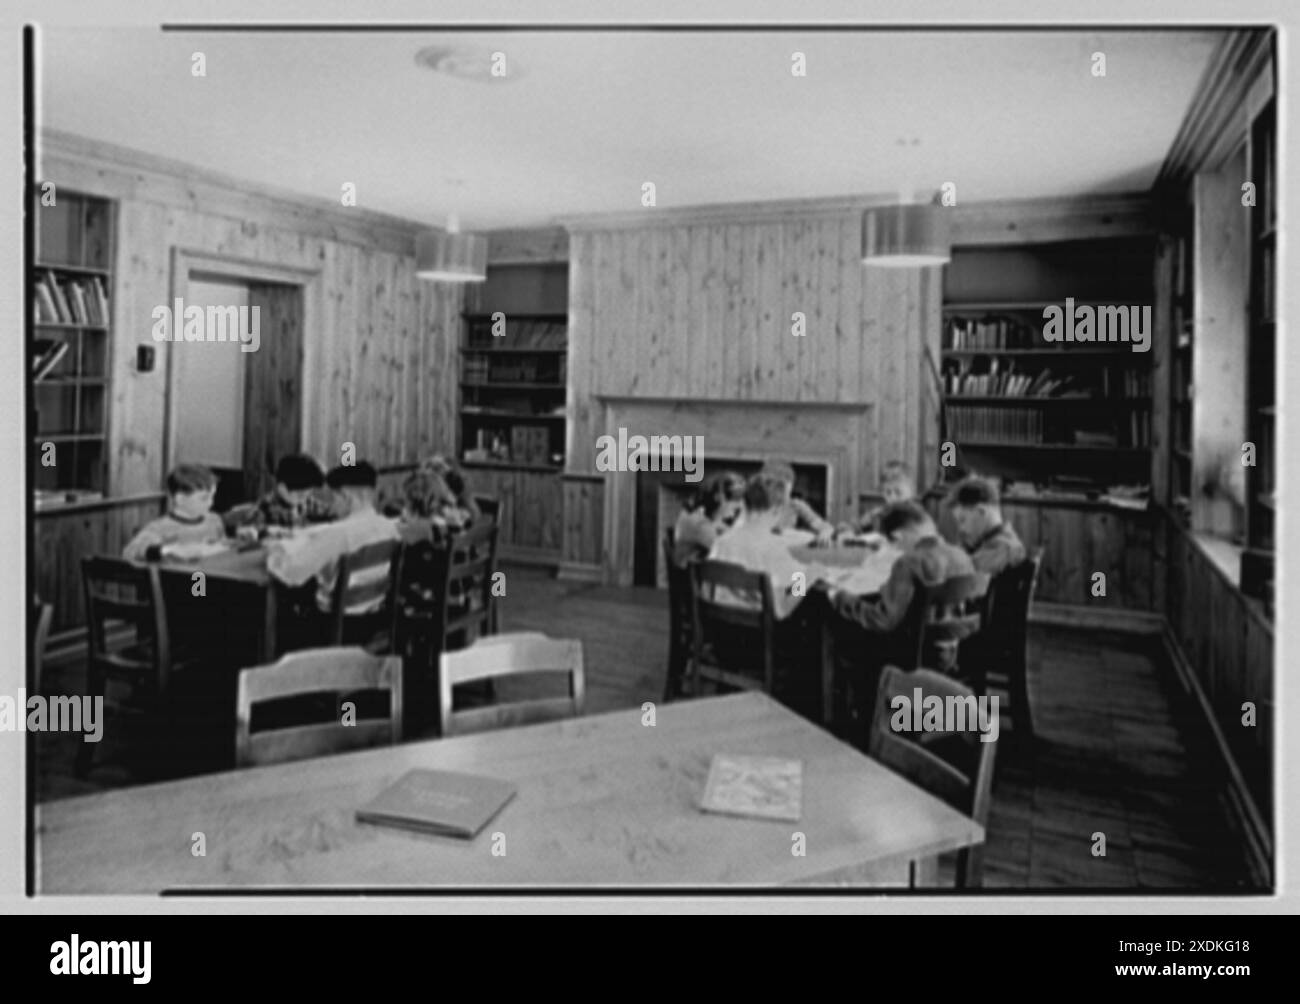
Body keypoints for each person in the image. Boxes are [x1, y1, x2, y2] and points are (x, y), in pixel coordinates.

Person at [266, 461, 400, 615]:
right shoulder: (390, 527)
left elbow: (291, 574)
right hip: (374, 614)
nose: (331, 506)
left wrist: (274, 549)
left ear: (346, 497)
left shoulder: (337, 535)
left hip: (329, 621)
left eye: (333, 498)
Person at [827, 500, 975, 636]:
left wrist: (839, 597)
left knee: (834, 620)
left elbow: (883, 620)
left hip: (906, 648)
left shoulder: (907, 563)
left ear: (897, 537)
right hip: (950, 644)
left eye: (893, 546)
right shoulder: (962, 555)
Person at [707, 473, 808, 621]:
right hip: (757, 631)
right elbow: (780, 611)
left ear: (745, 503)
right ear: (777, 509)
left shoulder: (721, 542)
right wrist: (806, 578)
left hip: (718, 625)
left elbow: (707, 593)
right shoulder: (776, 549)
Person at [123, 463, 227, 561]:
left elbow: (224, 549)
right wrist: (168, 550)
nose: (211, 502)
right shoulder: (159, 528)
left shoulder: (214, 520)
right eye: (204, 498)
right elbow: (129, 553)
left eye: (212, 496)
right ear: (180, 499)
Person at [947, 476, 1026, 577]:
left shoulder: (1002, 548)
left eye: (962, 520)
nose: (961, 528)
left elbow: (962, 579)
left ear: (981, 512)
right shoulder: (983, 542)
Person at [229, 453, 328, 532]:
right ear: (281, 487)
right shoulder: (264, 509)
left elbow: (329, 514)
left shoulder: (307, 503)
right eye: (300, 494)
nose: (304, 499)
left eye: (309, 493)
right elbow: (248, 532)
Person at [672, 471, 745, 566]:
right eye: (734, 509)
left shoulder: (696, 514)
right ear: (719, 498)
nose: (732, 514)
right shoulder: (699, 528)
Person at [761, 460, 833, 542]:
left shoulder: (795, 505)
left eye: (782, 487)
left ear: (791, 486)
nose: (778, 493)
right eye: (774, 486)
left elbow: (824, 527)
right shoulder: (756, 504)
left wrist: (825, 533)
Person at [842, 461, 916, 535]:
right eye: (888, 492)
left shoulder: (916, 518)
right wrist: (858, 527)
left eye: (898, 492)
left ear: (911, 492)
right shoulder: (879, 514)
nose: (892, 498)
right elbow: (861, 530)